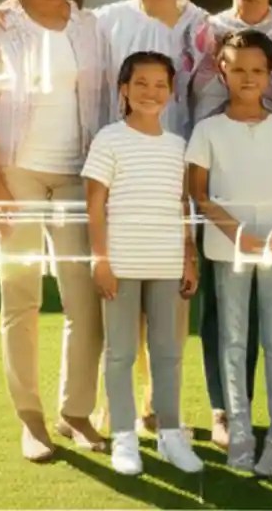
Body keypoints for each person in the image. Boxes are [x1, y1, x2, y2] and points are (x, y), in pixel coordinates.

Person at [0, 0, 218, 436]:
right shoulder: (99, 21)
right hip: (97, 171)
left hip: (155, 173)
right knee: (90, 298)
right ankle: (88, 413)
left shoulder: (198, 27)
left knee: (141, 300)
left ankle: (140, 410)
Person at [0, 0, 111, 462]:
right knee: (21, 296)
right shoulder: (1, 26)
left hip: (77, 174)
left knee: (84, 297)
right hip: (16, 171)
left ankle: (76, 412)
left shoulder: (93, 27)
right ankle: (32, 419)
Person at [194, 0, 272, 449]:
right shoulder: (206, 30)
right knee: (221, 306)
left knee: (266, 310)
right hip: (214, 185)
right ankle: (224, 409)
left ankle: (263, 414)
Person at [186, 29, 272, 477]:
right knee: (233, 340)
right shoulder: (207, 130)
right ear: (223, 69)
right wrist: (235, 232)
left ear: (271, 72)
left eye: (257, 69)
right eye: (238, 68)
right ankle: (239, 431)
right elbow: (199, 193)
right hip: (227, 245)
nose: (248, 77)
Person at [82, 50, 205, 476]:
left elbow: (181, 206)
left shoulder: (177, 147)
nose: (150, 92)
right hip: (121, 262)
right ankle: (123, 438)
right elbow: (95, 206)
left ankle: (170, 435)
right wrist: (100, 259)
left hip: (167, 264)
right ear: (124, 90)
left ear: (171, 92)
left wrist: (189, 260)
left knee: (168, 352)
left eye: (160, 85)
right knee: (120, 353)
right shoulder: (109, 139)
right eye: (141, 84)